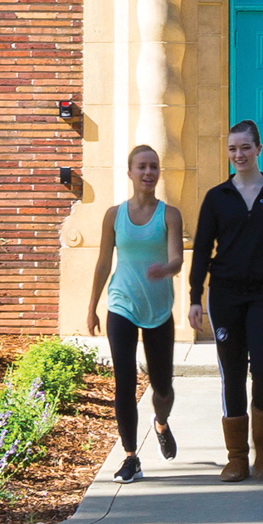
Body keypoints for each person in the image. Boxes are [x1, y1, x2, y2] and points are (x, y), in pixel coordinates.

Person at [188, 118, 263, 481]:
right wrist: (193, 296)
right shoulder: (217, 198)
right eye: (233, 149)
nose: (239, 154)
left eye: (246, 147)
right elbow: (202, 249)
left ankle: (262, 451)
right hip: (225, 295)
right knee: (231, 374)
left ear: (259, 149)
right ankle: (237, 456)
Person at [81, 142, 186, 482]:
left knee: (163, 388)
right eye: (141, 166)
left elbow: (177, 259)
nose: (148, 172)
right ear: (129, 173)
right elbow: (102, 263)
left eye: (153, 167)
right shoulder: (114, 215)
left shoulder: (169, 214)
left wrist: (166, 269)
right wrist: (92, 307)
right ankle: (130, 456)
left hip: (158, 309)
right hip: (121, 304)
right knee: (123, 381)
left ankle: (161, 423)